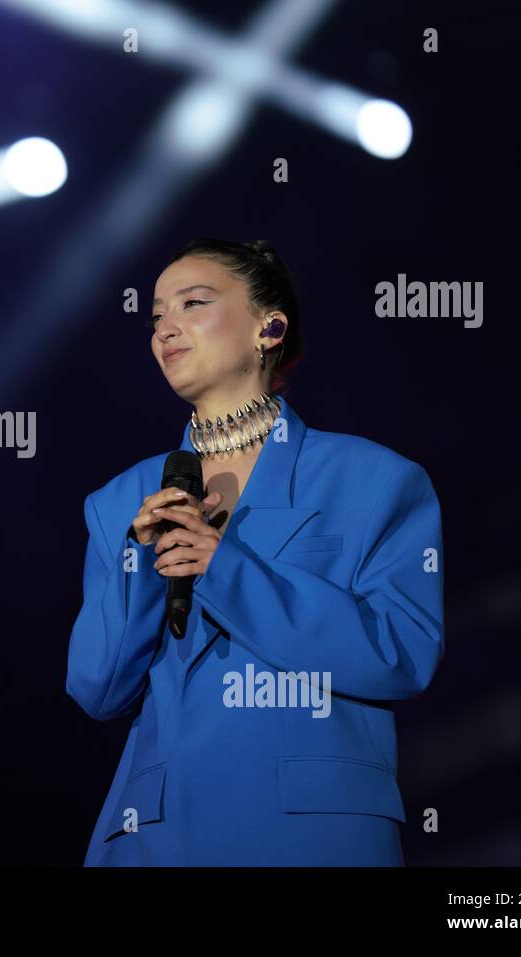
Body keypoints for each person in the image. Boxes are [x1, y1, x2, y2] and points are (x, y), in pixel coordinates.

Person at [66, 238, 444, 866]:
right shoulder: (120, 502)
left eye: (193, 303)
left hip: (309, 829)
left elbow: (402, 655)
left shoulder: (375, 479)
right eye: (156, 315)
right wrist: (141, 566)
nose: (166, 327)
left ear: (269, 327)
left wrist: (229, 569)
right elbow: (96, 688)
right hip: (159, 833)